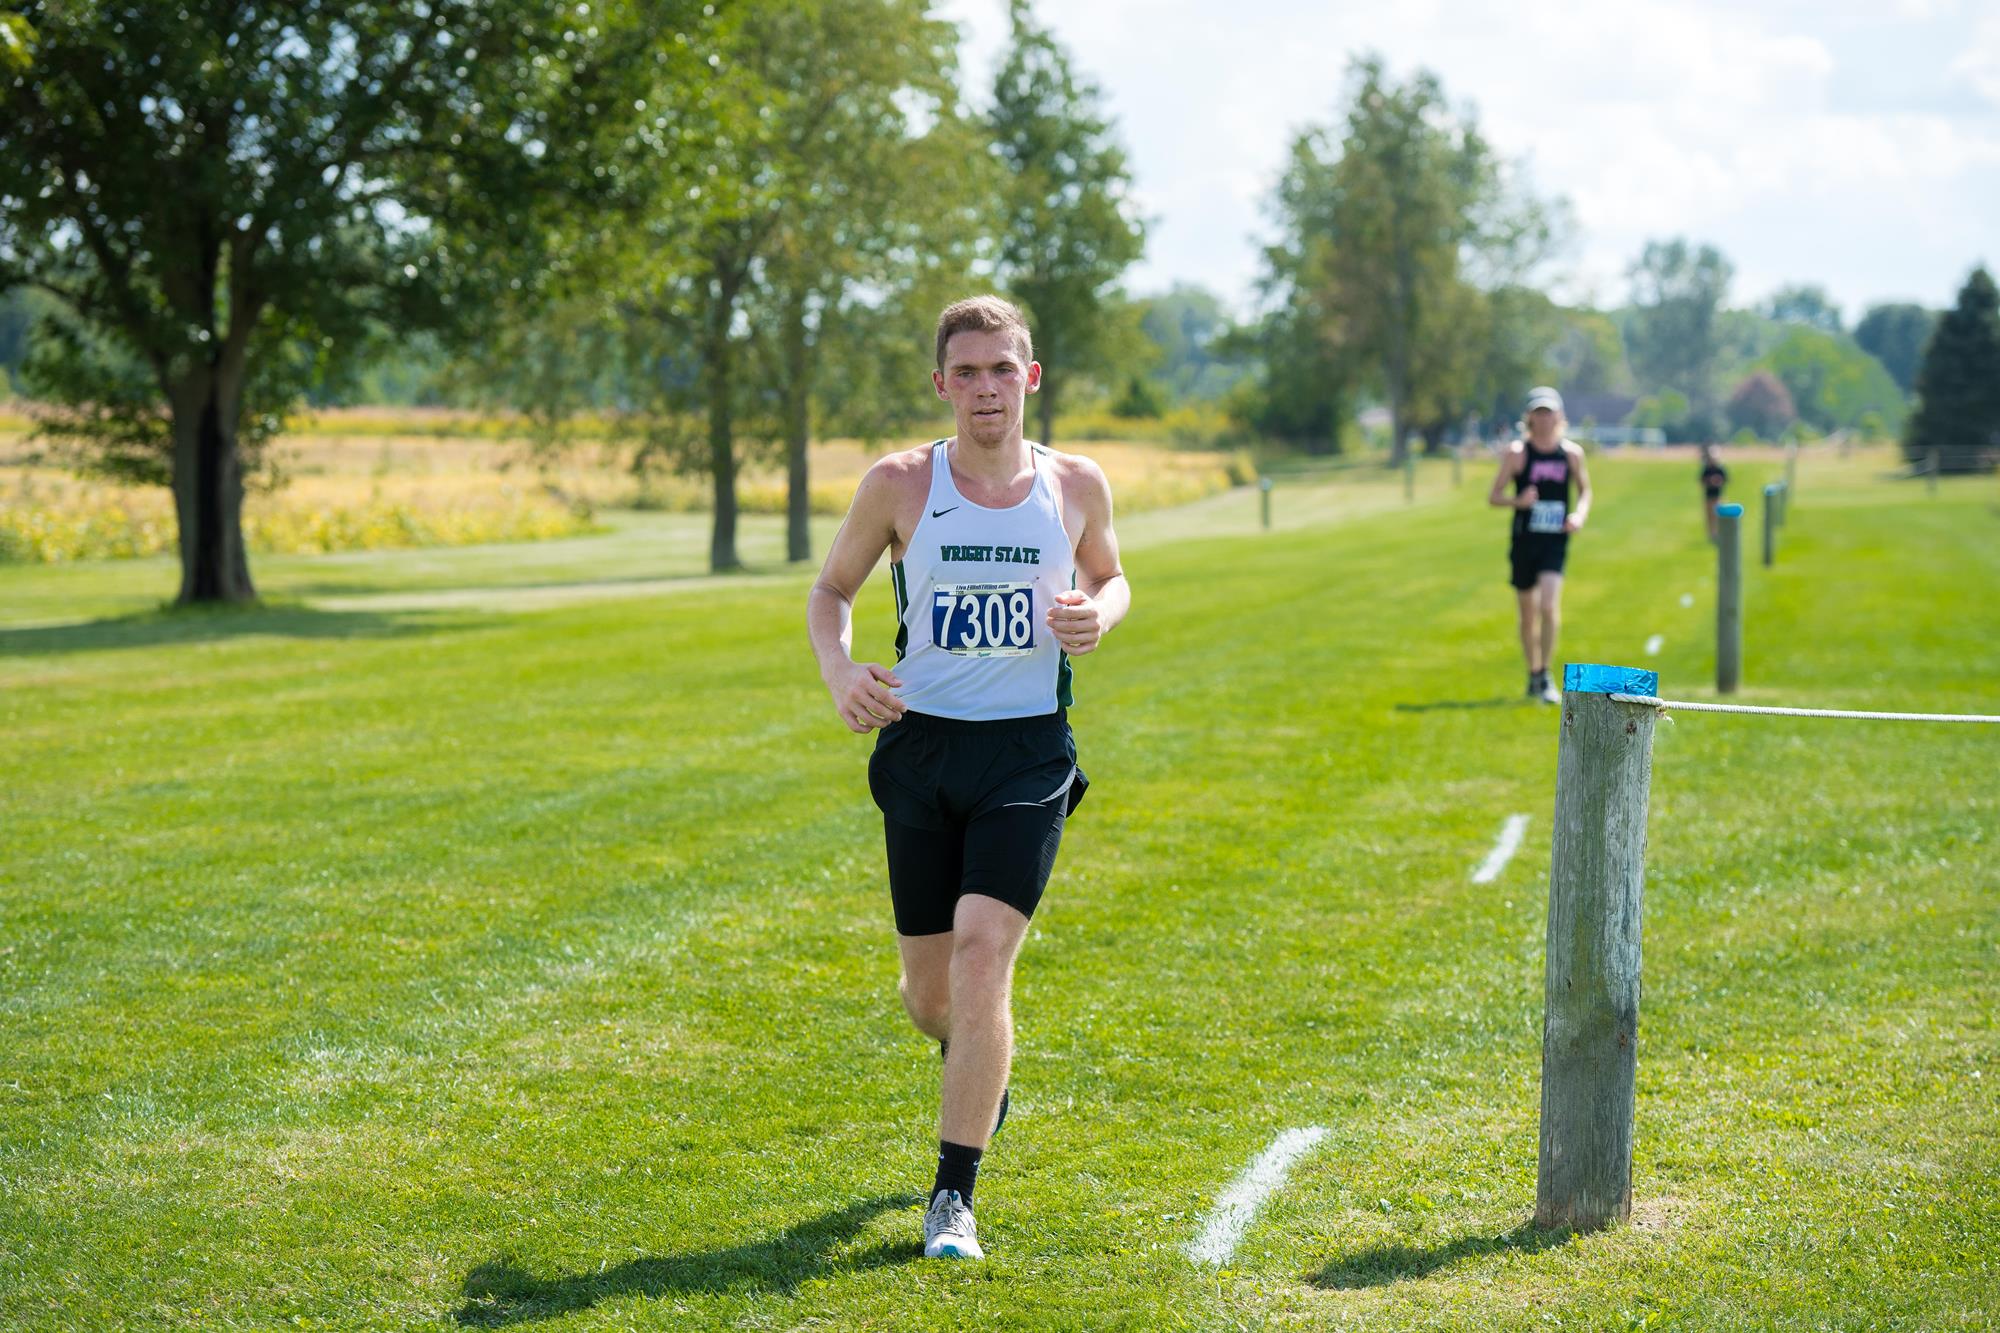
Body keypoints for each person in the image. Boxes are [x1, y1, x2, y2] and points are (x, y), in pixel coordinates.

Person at [806, 296, 1130, 1260]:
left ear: (1030, 379)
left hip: (1028, 752)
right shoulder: (902, 483)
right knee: (932, 995)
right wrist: (841, 669)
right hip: (923, 749)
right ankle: (975, 1068)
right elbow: (831, 592)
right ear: (942, 384)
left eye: (1003, 369)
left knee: (987, 952)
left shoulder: (1074, 483)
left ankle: (953, 1196)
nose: (986, 388)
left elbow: (1113, 575)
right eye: (967, 372)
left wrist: (1098, 615)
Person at [1488, 386, 1591, 703]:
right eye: (1538, 412)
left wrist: (1578, 515)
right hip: (1524, 541)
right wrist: (1518, 501)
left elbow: (1585, 491)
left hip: (1554, 542)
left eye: (1549, 412)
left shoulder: (1571, 453)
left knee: (1548, 605)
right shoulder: (1518, 453)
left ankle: (1545, 672)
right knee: (1528, 612)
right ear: (1529, 417)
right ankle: (1533, 673)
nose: (1543, 418)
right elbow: (1494, 497)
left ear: (1558, 416)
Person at [1699, 445, 1728, 541]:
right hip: (1708, 496)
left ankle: (1718, 533)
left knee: (1718, 516)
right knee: (1709, 517)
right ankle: (1711, 534)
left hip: (1718, 496)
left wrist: (1718, 481)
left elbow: (1726, 480)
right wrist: (1709, 481)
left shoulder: (1720, 469)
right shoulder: (1706, 469)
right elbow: (1701, 481)